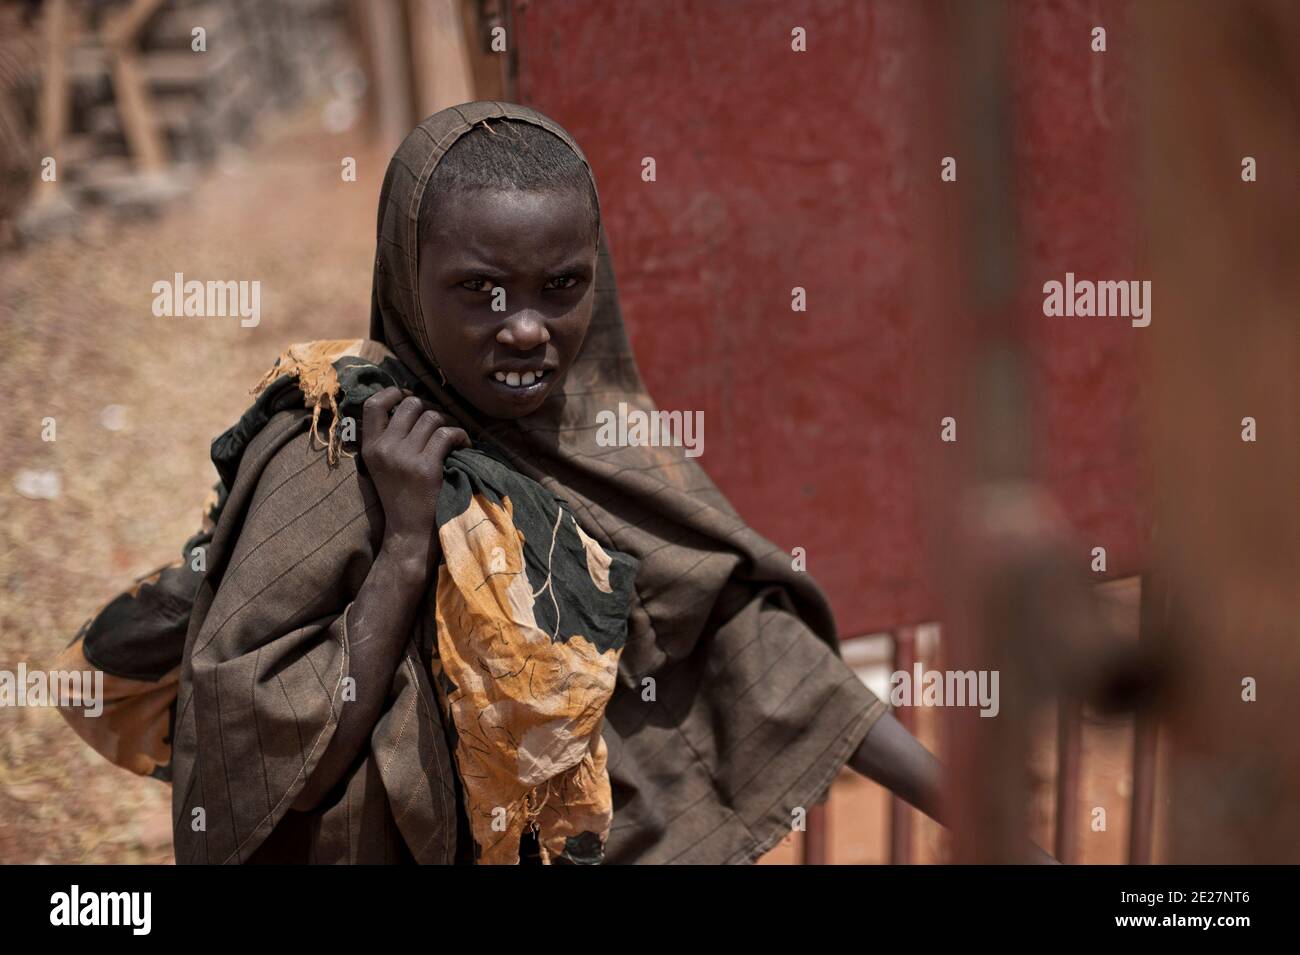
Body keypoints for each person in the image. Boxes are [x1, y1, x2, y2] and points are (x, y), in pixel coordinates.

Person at [62, 102, 1002, 865]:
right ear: (407, 276)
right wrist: (400, 548)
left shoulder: (592, 436)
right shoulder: (328, 455)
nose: (525, 329)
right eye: (480, 291)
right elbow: (270, 764)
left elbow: (752, 644)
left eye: (561, 286)